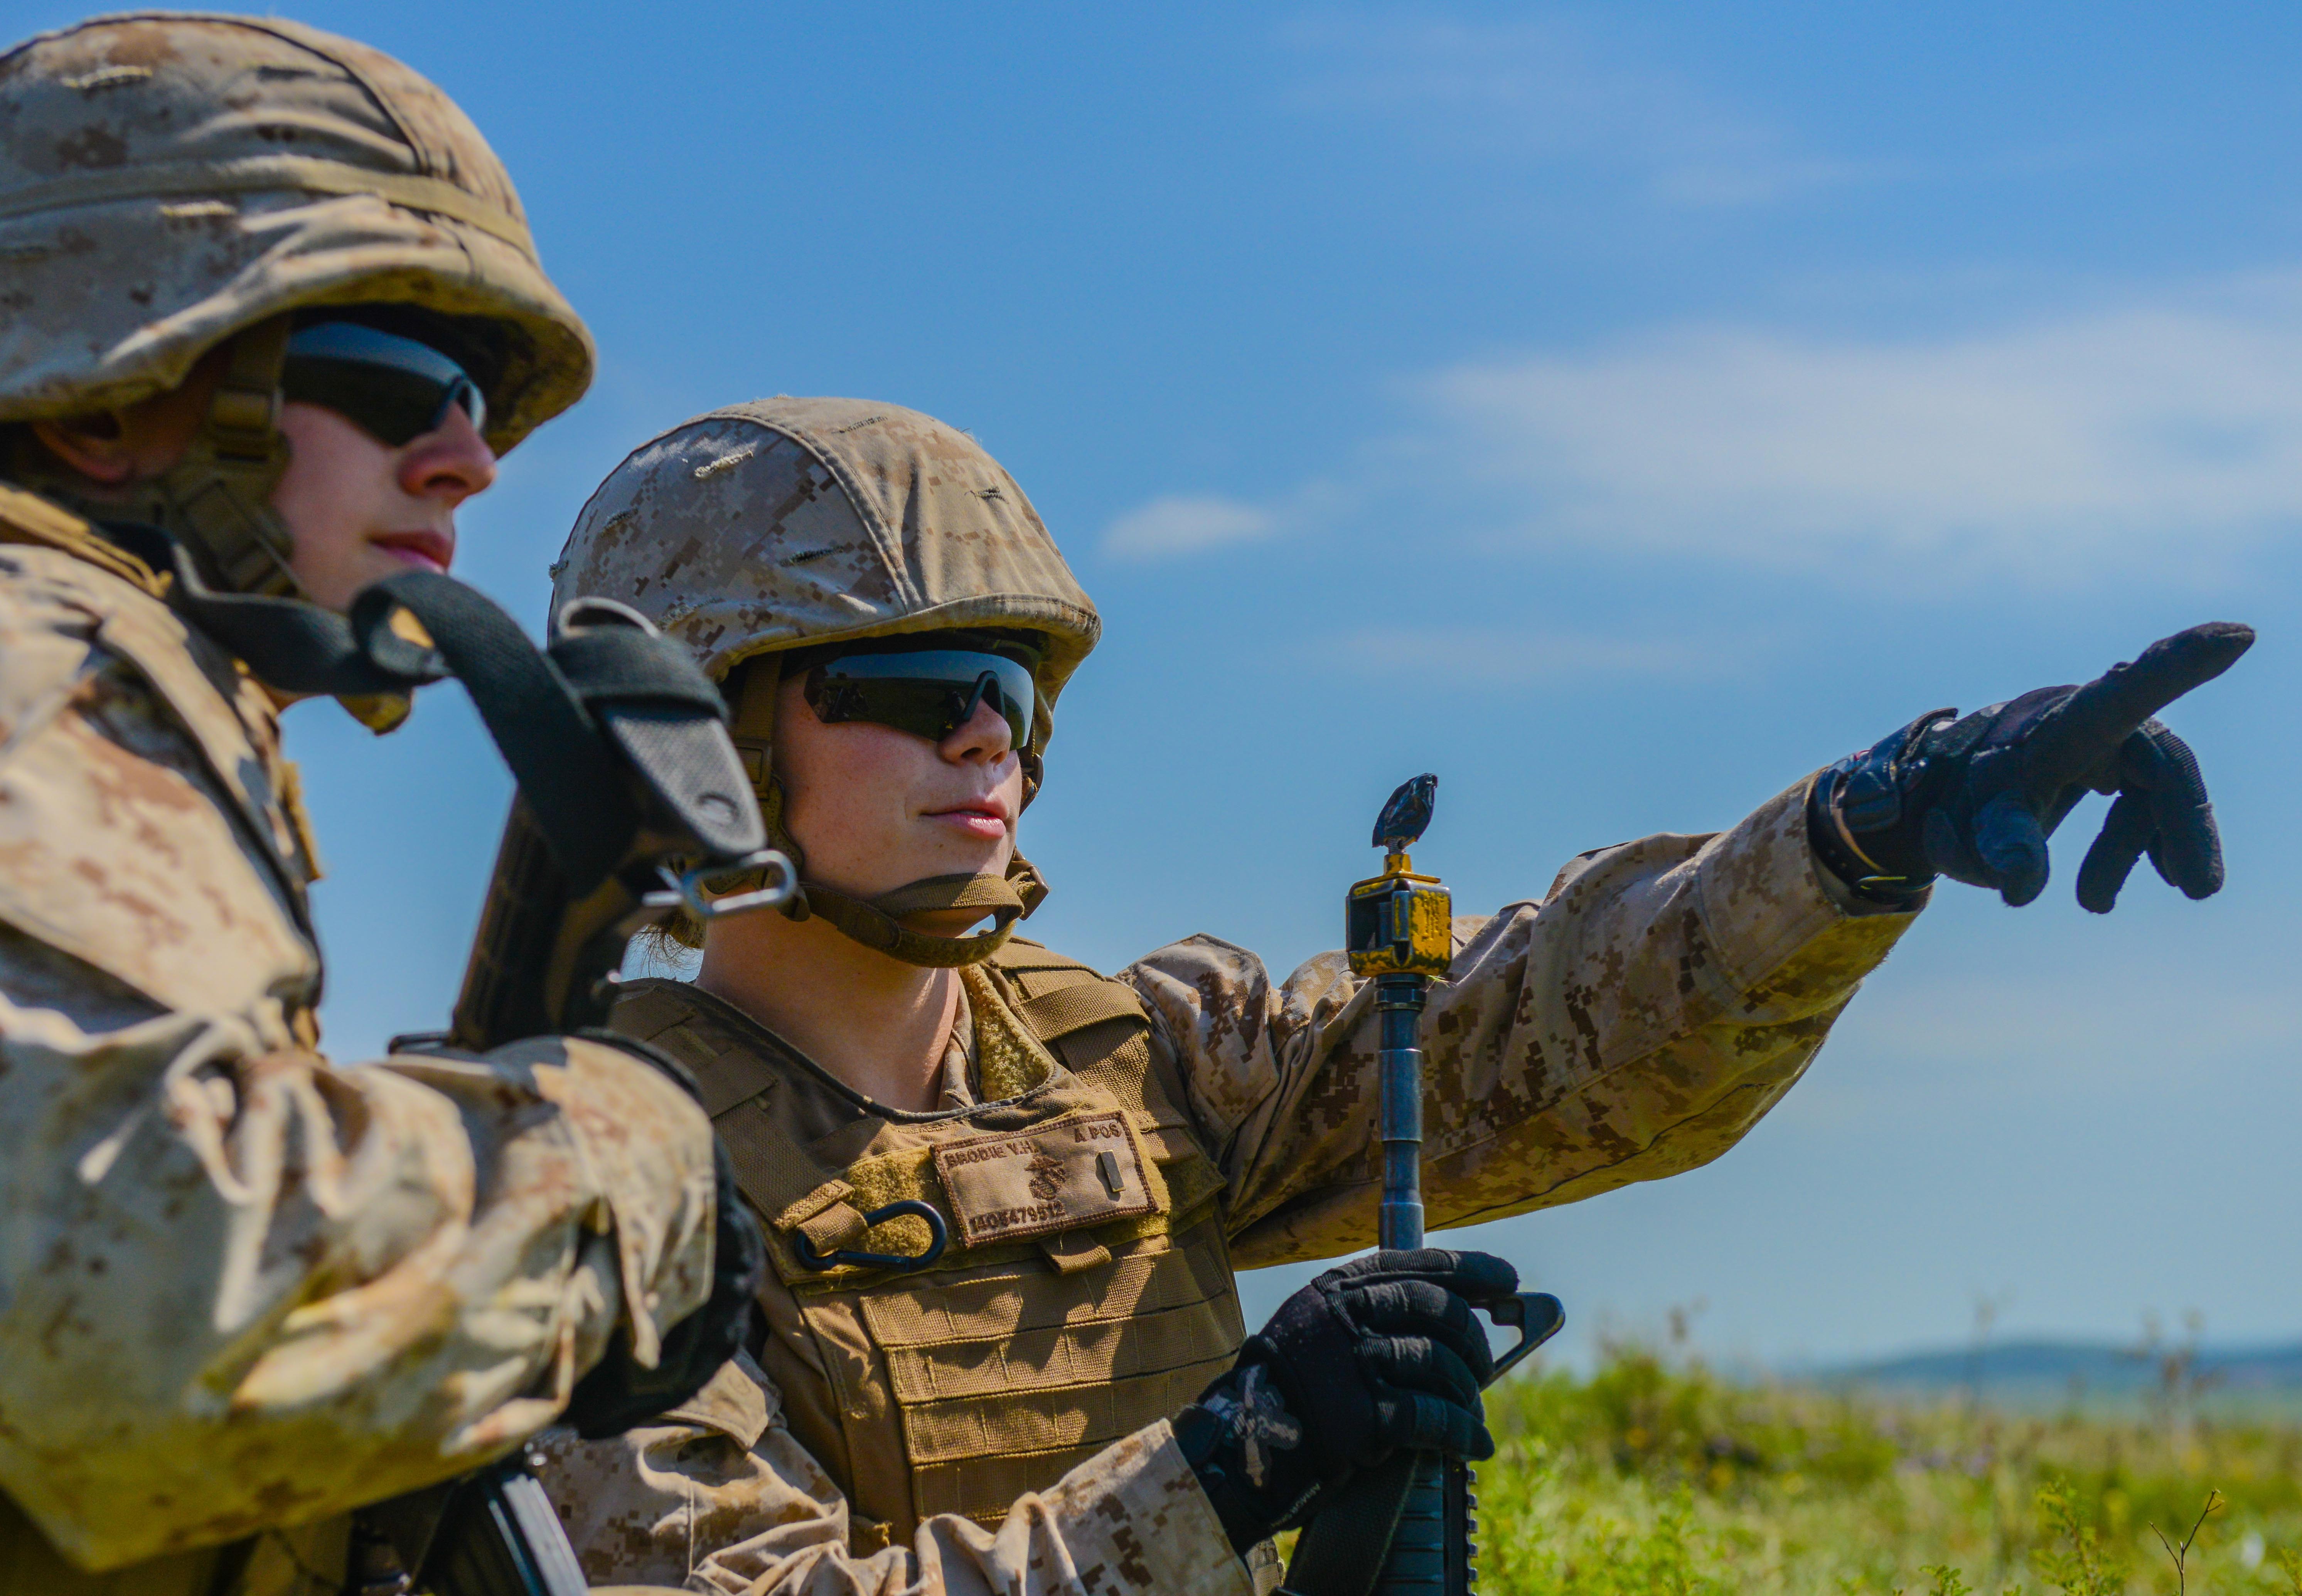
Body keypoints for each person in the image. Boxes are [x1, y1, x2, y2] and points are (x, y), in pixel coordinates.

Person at [537, 387, 2246, 1596]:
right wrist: (1230, 1464)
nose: (985, 735)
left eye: (1006, 686)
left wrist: (1867, 824)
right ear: (705, 741)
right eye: (915, 688)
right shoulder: (580, 1184)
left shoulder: (1139, 1064)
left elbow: (1551, 1037)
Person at [0, 16, 758, 1591]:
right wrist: (624, 1162)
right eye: (399, 377)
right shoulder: (8, 657)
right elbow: (154, 1317)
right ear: (105, 397)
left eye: (478, 398)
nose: (468, 460)